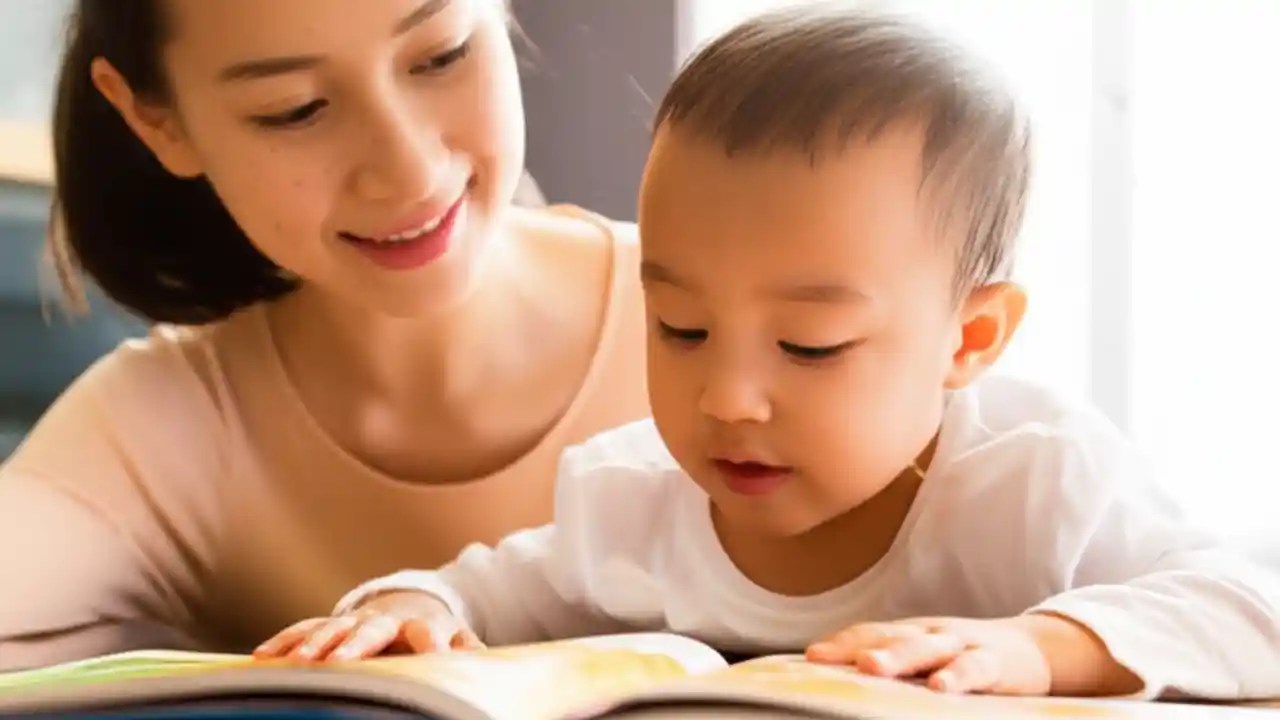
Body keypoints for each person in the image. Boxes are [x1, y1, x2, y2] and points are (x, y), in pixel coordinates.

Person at [257, 3, 1280, 701]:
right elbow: (478, 591)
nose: (729, 398)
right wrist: (407, 606)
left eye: (809, 344)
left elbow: (1252, 603)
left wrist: (1038, 648)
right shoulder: (627, 504)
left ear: (966, 340)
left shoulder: (1035, 482)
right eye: (681, 330)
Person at [0, 0, 650, 670]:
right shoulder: (173, 431)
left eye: (442, 54)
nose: (410, 171)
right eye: (296, 109)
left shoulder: (732, 328)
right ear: (156, 120)